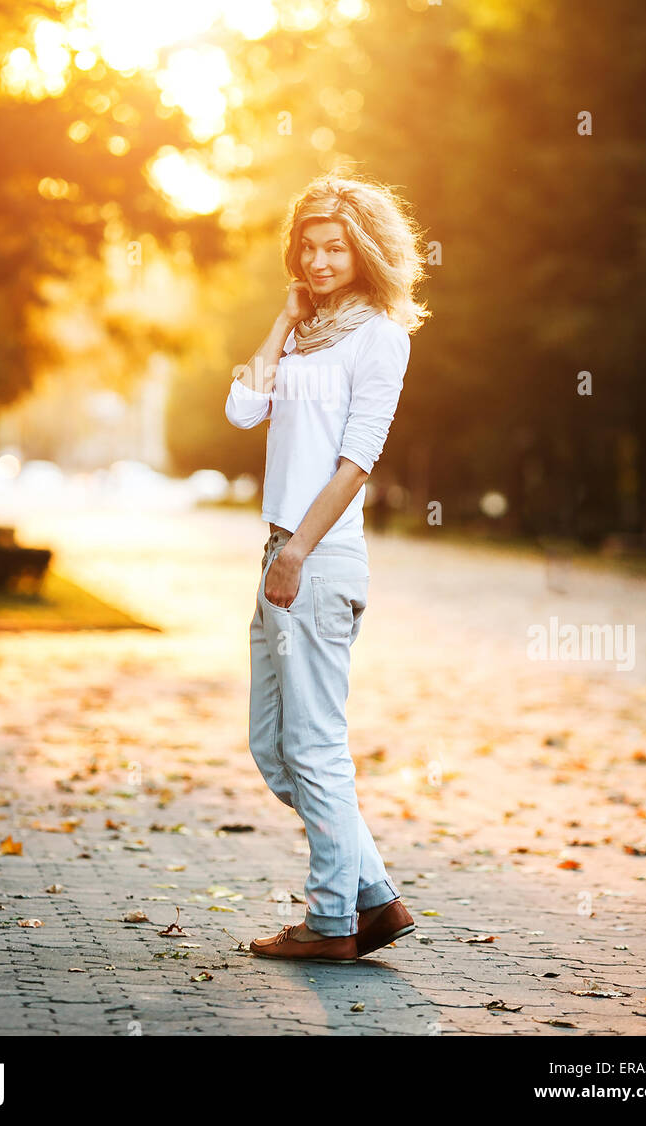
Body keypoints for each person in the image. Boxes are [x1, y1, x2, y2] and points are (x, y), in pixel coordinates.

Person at [224, 172, 431, 963]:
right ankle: (374, 897)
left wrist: (300, 551)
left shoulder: (380, 334)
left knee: (314, 747)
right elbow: (245, 408)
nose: (317, 260)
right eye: (306, 248)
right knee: (275, 748)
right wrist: (281, 322)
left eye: (334, 247)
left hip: (319, 553)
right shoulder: (307, 332)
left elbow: (357, 460)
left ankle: (332, 921)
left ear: (364, 248)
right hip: (280, 552)